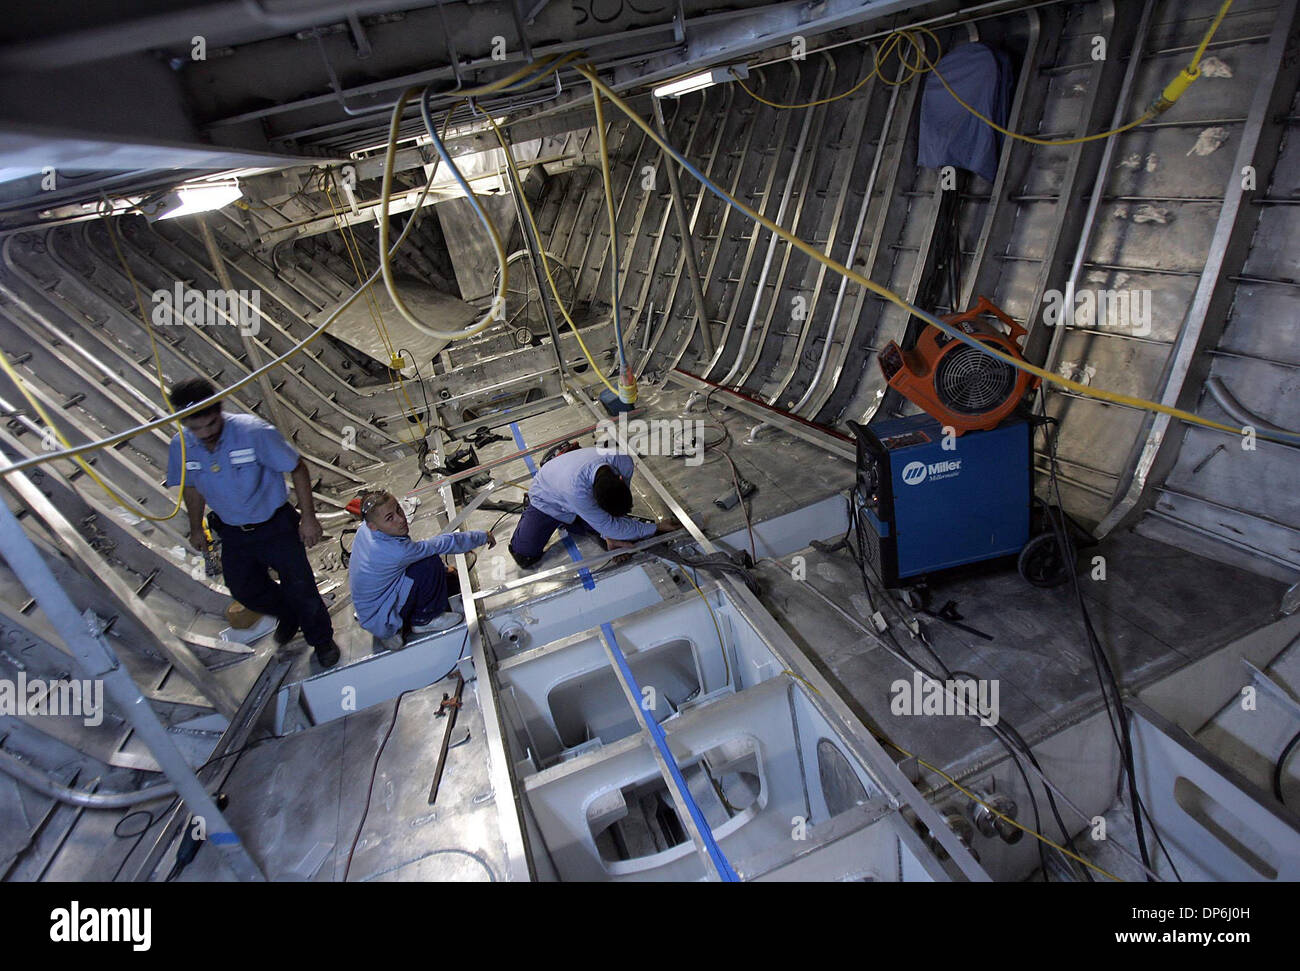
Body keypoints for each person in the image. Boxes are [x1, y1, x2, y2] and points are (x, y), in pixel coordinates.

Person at [166, 377, 340, 669]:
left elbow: (297, 469)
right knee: (244, 589)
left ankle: (322, 640)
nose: (205, 434)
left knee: (302, 587)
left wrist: (308, 518)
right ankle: (288, 613)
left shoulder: (254, 433)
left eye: (210, 424)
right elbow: (192, 487)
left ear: (219, 411)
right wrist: (196, 527)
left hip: (276, 526)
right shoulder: (181, 446)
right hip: (233, 532)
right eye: (196, 429)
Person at [349, 490, 495, 651]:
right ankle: (424, 620)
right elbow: (440, 545)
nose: (400, 519)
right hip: (381, 619)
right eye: (390, 518)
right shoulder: (397, 552)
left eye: (398, 509)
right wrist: (481, 537)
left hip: (371, 609)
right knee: (429, 563)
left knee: (447, 579)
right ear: (373, 526)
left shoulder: (366, 530)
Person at [508, 446, 678, 569]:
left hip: (572, 489)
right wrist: (655, 527)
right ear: (592, 499)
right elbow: (610, 524)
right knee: (525, 556)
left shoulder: (623, 462)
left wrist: (610, 533)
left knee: (622, 536)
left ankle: (581, 521)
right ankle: (545, 517)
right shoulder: (577, 491)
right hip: (547, 499)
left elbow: (613, 515)